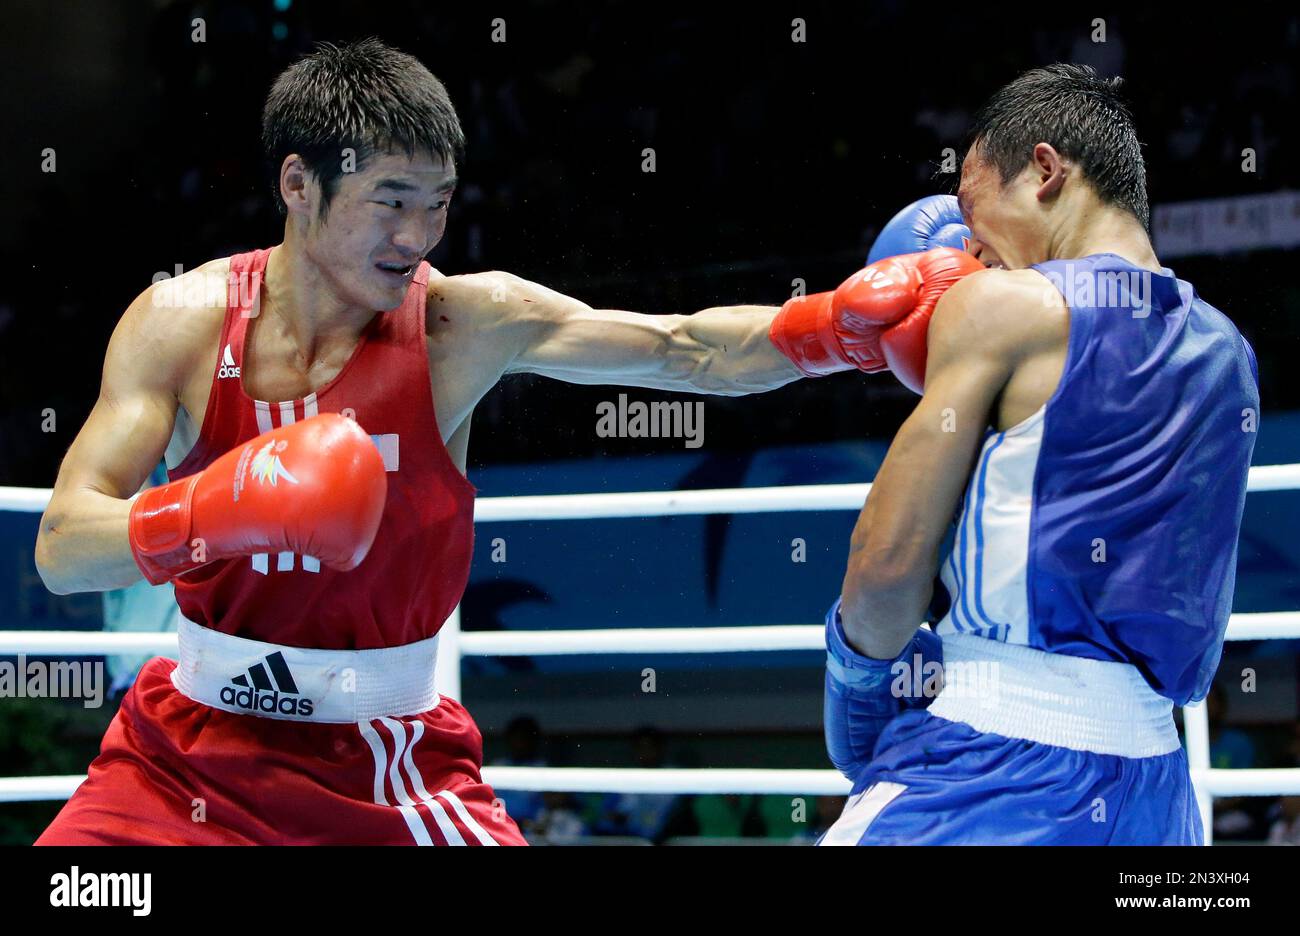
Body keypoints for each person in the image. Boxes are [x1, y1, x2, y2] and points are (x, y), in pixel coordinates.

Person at [31, 39, 910, 845]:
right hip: (183, 758)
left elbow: (688, 351)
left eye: (438, 205)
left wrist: (833, 328)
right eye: (390, 203)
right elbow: (65, 547)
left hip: (391, 766)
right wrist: (219, 508)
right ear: (299, 185)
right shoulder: (179, 323)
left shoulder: (460, 323)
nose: (416, 239)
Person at [816, 64, 1259, 845]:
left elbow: (885, 565)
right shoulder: (1229, 353)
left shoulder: (1004, 307)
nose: (966, 248)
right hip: (1158, 794)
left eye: (969, 207)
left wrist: (856, 670)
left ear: (1046, 171)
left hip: (991, 763)